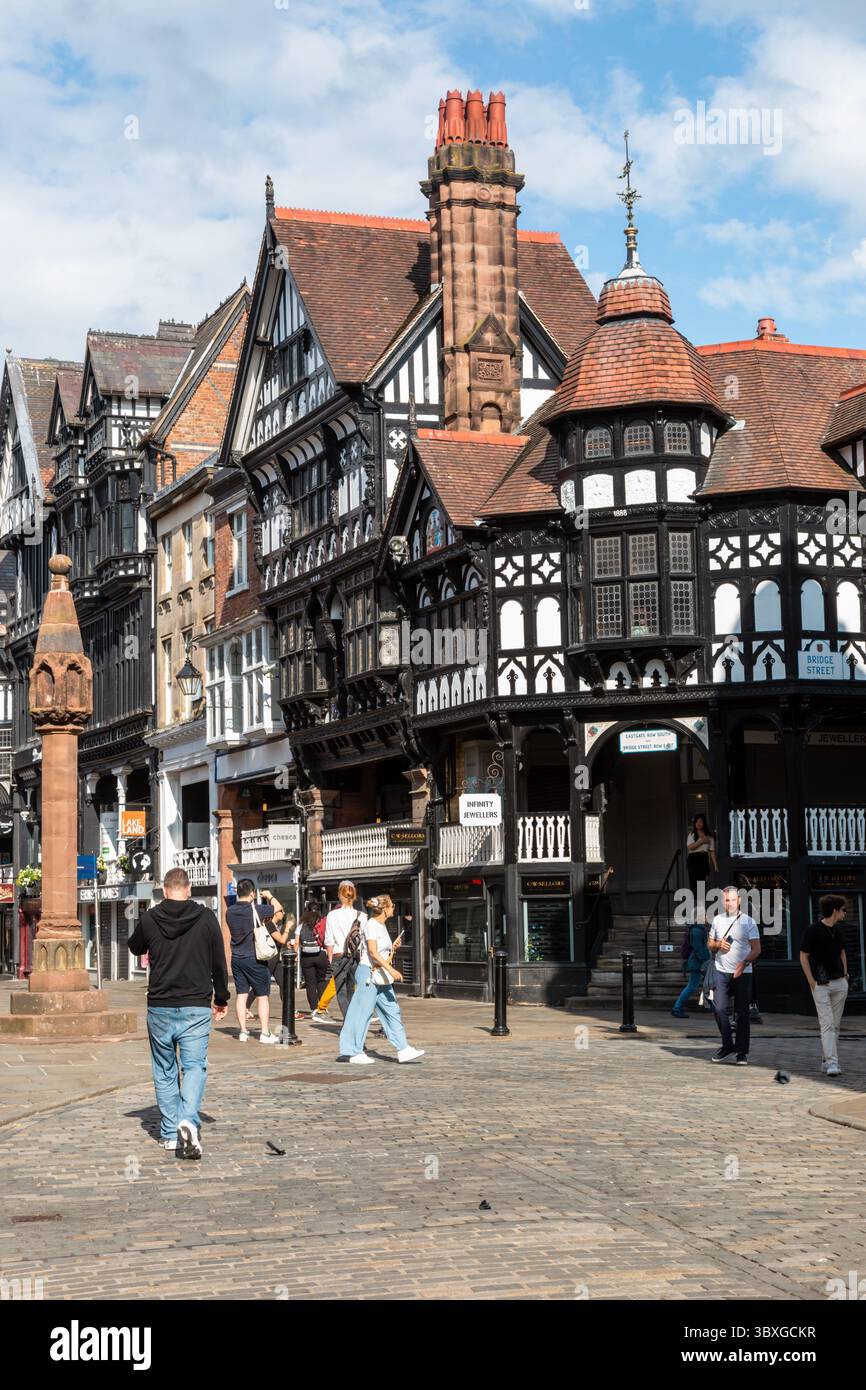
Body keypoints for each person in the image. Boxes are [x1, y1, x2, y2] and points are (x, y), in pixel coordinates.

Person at [128, 867, 229, 1160]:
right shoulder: (206, 918)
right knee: (195, 1066)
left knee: (164, 1069)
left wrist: (145, 921)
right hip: (196, 1004)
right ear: (188, 889)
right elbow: (219, 963)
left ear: (163, 889)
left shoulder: (150, 919)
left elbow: (134, 947)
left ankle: (171, 1134)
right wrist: (221, 997)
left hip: (160, 1004)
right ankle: (188, 1118)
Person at [338, 893, 424, 1065]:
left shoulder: (381, 925)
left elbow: (380, 951)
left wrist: (393, 948)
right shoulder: (371, 925)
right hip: (369, 974)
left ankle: (403, 1049)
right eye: (392, 906)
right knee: (362, 1013)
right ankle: (354, 1051)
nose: (394, 908)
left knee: (392, 1009)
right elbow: (372, 952)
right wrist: (392, 970)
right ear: (384, 909)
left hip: (380, 975)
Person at [708, 885, 761, 1065]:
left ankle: (741, 1052)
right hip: (721, 971)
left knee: (742, 1013)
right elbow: (710, 944)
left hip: (743, 972)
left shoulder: (748, 922)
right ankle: (727, 1045)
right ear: (722, 901)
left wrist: (744, 962)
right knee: (719, 1008)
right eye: (726, 900)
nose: (729, 903)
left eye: (732, 899)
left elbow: (756, 949)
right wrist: (718, 945)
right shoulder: (717, 920)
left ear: (739, 900)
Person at [226, 879, 283, 1044]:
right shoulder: (257, 909)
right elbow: (279, 909)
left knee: (241, 995)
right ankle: (265, 1033)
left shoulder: (229, 911)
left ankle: (243, 1031)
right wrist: (270, 896)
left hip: (237, 958)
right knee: (262, 996)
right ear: (252, 893)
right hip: (254, 957)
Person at [799, 894, 850, 1077]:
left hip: (839, 983)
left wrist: (845, 976)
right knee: (827, 1023)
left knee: (834, 1025)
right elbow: (803, 956)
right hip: (820, 984)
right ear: (835, 911)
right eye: (843, 909)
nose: (845, 913)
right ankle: (832, 1063)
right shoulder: (813, 931)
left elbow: (842, 953)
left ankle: (826, 1060)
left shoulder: (838, 931)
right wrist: (811, 981)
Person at [320, 882, 366, 1021]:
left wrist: (330, 959)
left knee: (341, 992)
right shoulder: (362, 916)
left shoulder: (332, 915)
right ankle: (354, 1021)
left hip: (338, 956)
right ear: (354, 896)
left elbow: (329, 941)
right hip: (356, 957)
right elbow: (364, 941)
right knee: (352, 990)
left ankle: (348, 1022)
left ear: (340, 895)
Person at [293, 900, 332, 1016]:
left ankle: (314, 1008)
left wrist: (295, 955)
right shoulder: (322, 923)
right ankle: (323, 1007)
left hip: (306, 957)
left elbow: (296, 943)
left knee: (310, 984)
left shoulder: (301, 926)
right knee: (322, 981)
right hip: (320, 955)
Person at [672, 918, 710, 1019]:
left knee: (705, 983)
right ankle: (677, 1008)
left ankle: (710, 1005)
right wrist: (705, 959)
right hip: (698, 962)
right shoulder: (697, 930)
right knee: (692, 985)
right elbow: (698, 947)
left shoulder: (698, 928)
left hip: (699, 961)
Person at [686, 814, 718, 905]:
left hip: (703, 860)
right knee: (694, 885)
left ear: (704, 822)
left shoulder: (710, 837)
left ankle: (701, 911)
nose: (698, 824)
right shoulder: (692, 835)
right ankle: (696, 909)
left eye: (700, 821)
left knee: (702, 885)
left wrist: (715, 865)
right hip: (693, 859)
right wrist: (701, 841)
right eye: (696, 822)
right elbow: (690, 847)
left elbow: (712, 851)